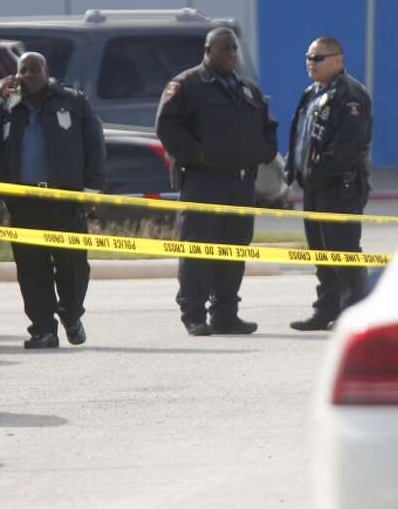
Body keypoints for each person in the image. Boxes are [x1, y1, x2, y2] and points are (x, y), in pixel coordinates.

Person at [0, 51, 106, 349]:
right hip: (24, 200)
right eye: (24, 71)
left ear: (47, 71)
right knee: (32, 268)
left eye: (34, 70)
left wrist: (91, 190)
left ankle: (71, 315)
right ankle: (43, 329)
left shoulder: (72, 101)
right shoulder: (8, 105)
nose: (29, 76)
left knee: (72, 265)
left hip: (64, 199)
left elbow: (95, 146)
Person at [155, 27, 278, 336]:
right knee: (199, 249)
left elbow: (264, 125)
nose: (231, 56)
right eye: (224, 50)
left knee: (234, 249)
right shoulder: (188, 85)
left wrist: (263, 151)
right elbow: (166, 126)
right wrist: (196, 155)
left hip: (240, 183)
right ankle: (193, 314)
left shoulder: (245, 88)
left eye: (234, 50)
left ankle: (226, 314)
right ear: (207, 51)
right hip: (203, 182)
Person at [285, 35, 372, 331]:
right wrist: (293, 169)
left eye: (318, 58)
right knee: (321, 252)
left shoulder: (350, 95)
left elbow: (348, 146)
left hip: (339, 188)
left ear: (338, 59)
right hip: (314, 188)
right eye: (308, 57)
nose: (311, 63)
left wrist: (319, 171)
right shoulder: (312, 92)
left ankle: (353, 314)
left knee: (343, 251)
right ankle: (325, 310)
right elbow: (300, 134)